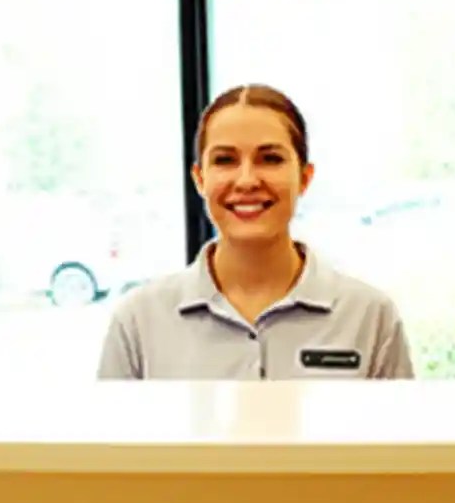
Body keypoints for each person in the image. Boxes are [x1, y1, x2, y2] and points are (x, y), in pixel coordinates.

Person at [98, 84, 413, 380]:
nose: (247, 180)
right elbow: (109, 437)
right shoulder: (138, 322)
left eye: (270, 159)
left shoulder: (370, 317)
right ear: (199, 179)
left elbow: (401, 436)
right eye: (225, 160)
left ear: (304, 177)